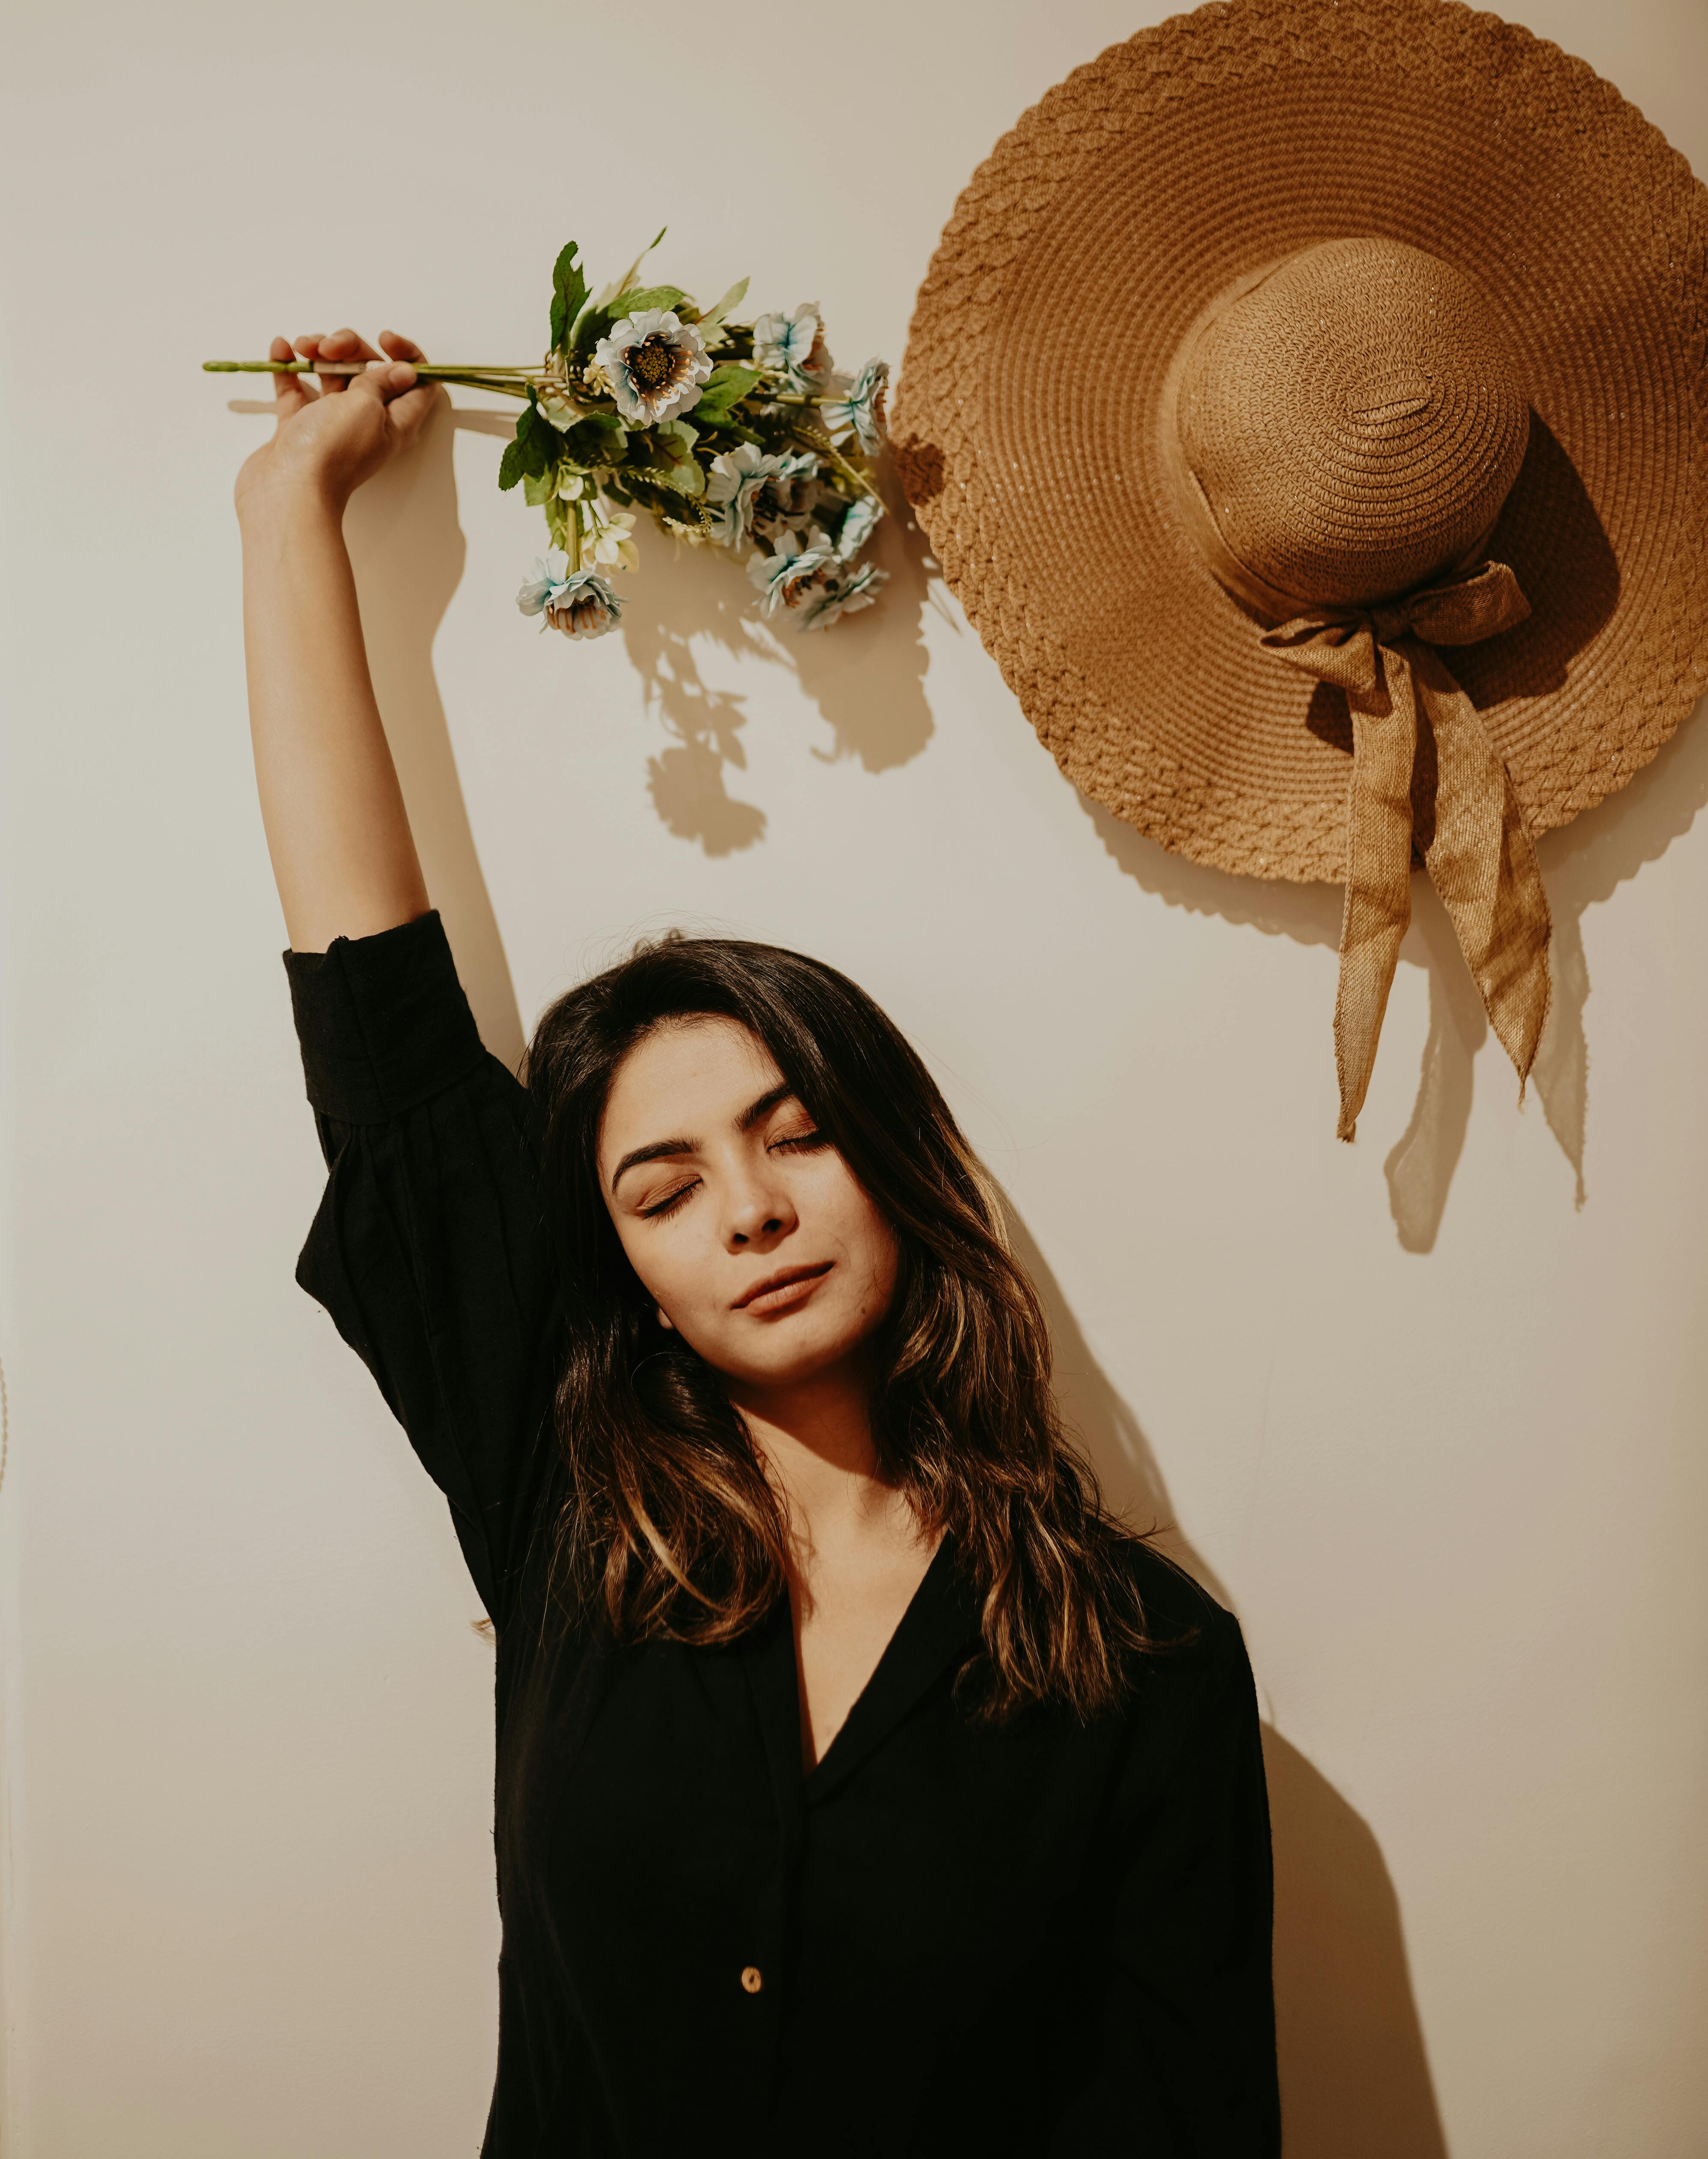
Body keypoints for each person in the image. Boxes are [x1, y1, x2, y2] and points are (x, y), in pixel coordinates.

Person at [237, 327, 1281, 2157]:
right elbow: (379, 1025)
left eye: (796, 1136)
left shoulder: (1142, 1661)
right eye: (662, 1188)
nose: (751, 1210)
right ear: (621, 1264)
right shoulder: (561, 1495)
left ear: (893, 1168)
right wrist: (288, 510)